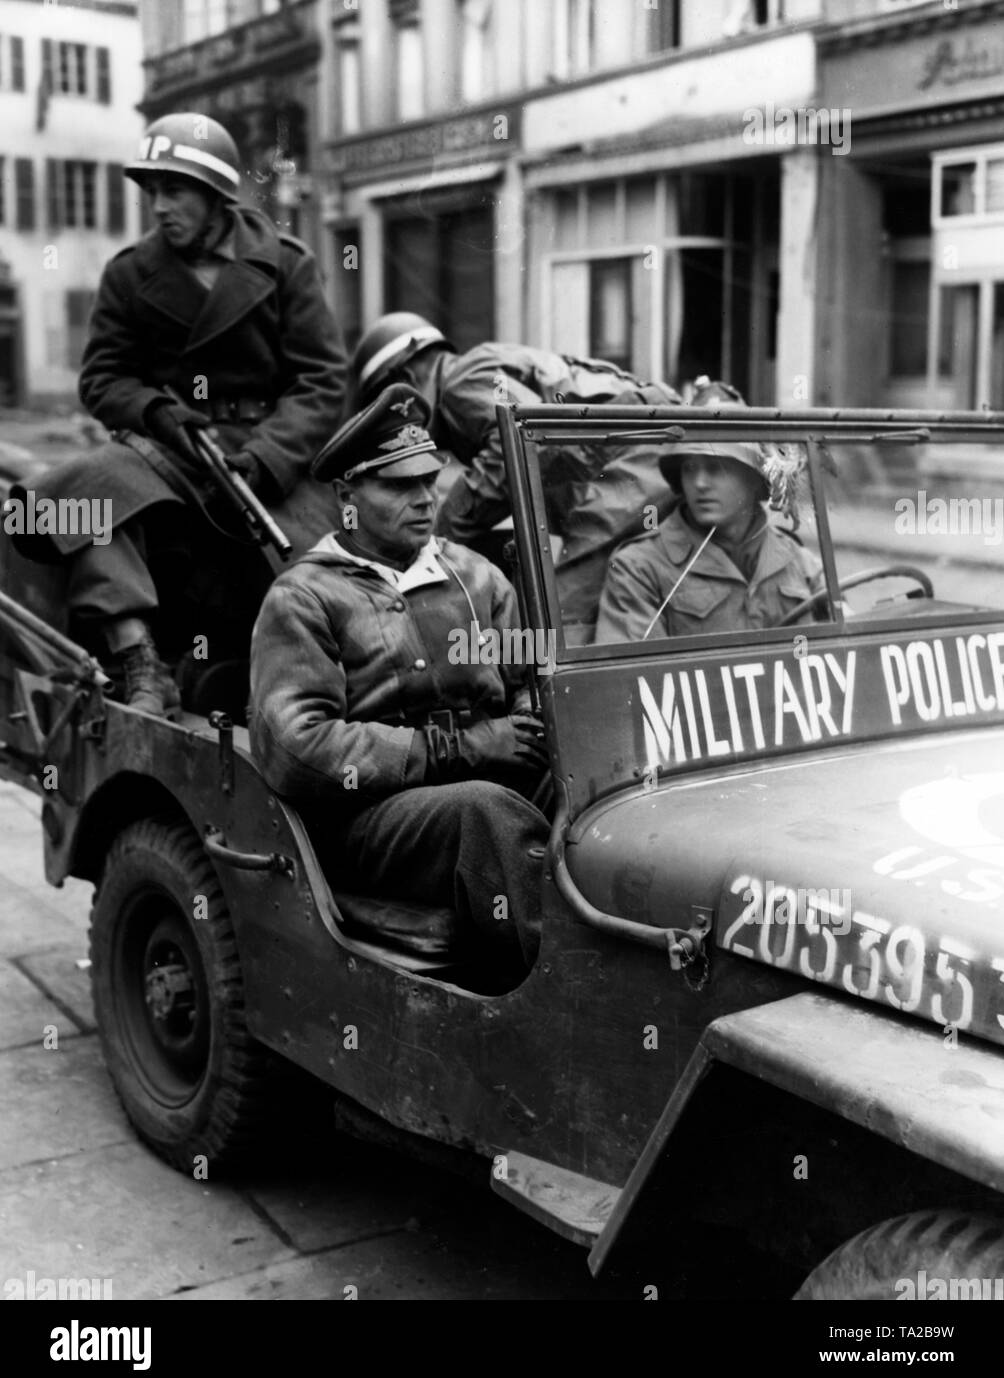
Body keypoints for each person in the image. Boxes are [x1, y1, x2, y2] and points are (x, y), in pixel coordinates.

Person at [9, 112, 347, 716]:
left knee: (321, 575)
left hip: (267, 455)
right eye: (153, 192)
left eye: (176, 190)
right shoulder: (131, 273)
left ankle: (310, 696)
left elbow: (322, 381)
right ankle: (140, 660)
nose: (160, 206)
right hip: (168, 452)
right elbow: (103, 379)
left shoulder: (285, 264)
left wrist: (268, 458)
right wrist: (159, 413)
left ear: (216, 197)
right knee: (87, 496)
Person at [249, 383, 551, 971]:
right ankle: (555, 993)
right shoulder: (304, 596)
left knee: (594, 792)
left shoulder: (476, 575)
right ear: (347, 496)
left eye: (428, 479)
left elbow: (533, 679)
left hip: (487, 781)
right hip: (371, 818)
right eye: (398, 484)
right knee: (483, 810)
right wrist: (456, 748)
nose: (425, 498)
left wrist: (532, 720)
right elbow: (298, 748)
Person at [350, 313, 682, 640]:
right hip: (643, 451)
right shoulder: (479, 370)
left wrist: (442, 531)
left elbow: (520, 439)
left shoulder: (459, 382)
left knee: (560, 623)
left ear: (406, 376)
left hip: (640, 451)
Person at [595, 436, 824, 643]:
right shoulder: (638, 567)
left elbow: (848, 646)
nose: (699, 483)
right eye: (689, 468)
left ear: (754, 480)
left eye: (716, 467)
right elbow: (634, 678)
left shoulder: (798, 560)